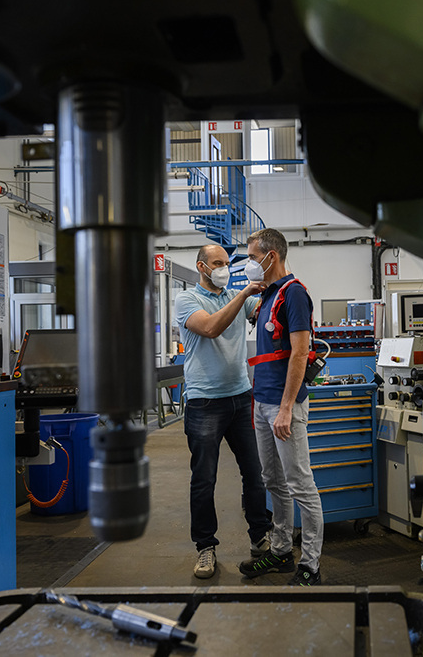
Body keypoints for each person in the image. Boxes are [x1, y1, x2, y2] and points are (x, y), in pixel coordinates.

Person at [174, 244, 273, 579]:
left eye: (228, 263)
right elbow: (212, 327)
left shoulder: (239, 296)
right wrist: (245, 292)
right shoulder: (186, 300)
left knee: (255, 472)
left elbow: (265, 312)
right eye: (218, 263)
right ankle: (205, 547)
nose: (225, 268)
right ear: (202, 267)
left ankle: (261, 536)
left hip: (241, 397)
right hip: (204, 402)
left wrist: (271, 277)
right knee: (205, 479)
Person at [237, 228, 324, 586]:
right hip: (262, 402)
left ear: (272, 256)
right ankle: (281, 550)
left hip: (284, 406)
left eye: (253, 256)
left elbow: (301, 351)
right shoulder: (266, 296)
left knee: (300, 483)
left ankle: (312, 564)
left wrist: (287, 406)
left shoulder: (294, 294)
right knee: (273, 481)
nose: (249, 263)